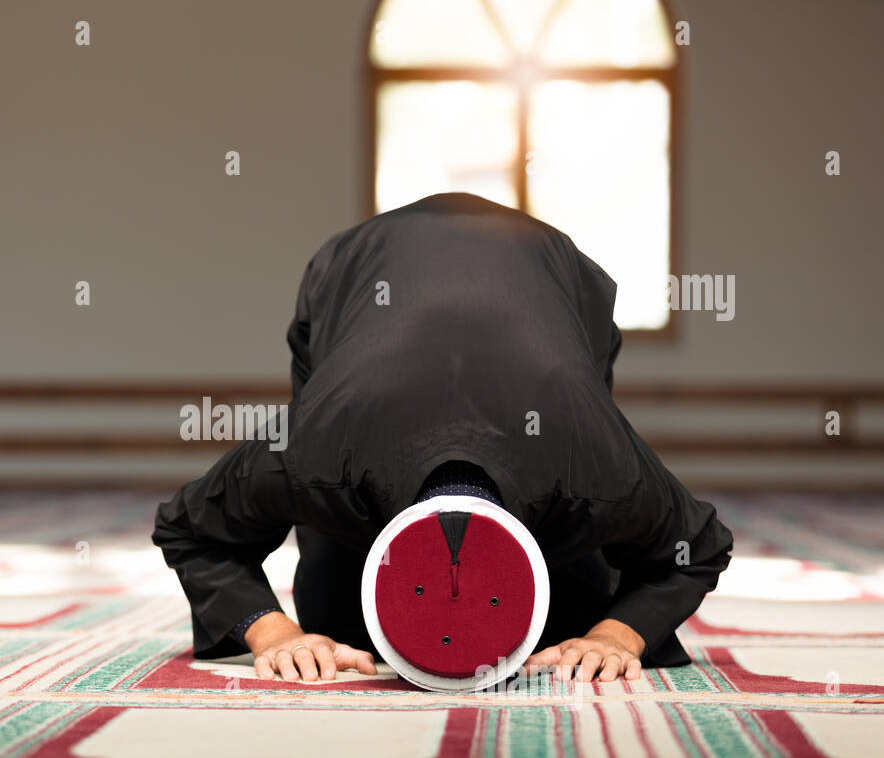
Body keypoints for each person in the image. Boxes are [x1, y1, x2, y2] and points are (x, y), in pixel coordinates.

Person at [153, 193, 733, 685]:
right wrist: (273, 633)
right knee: (340, 626)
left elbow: (697, 545)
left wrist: (616, 635)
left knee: (573, 626)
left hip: (552, 276)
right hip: (361, 270)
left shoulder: (597, 467)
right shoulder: (315, 450)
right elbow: (190, 528)